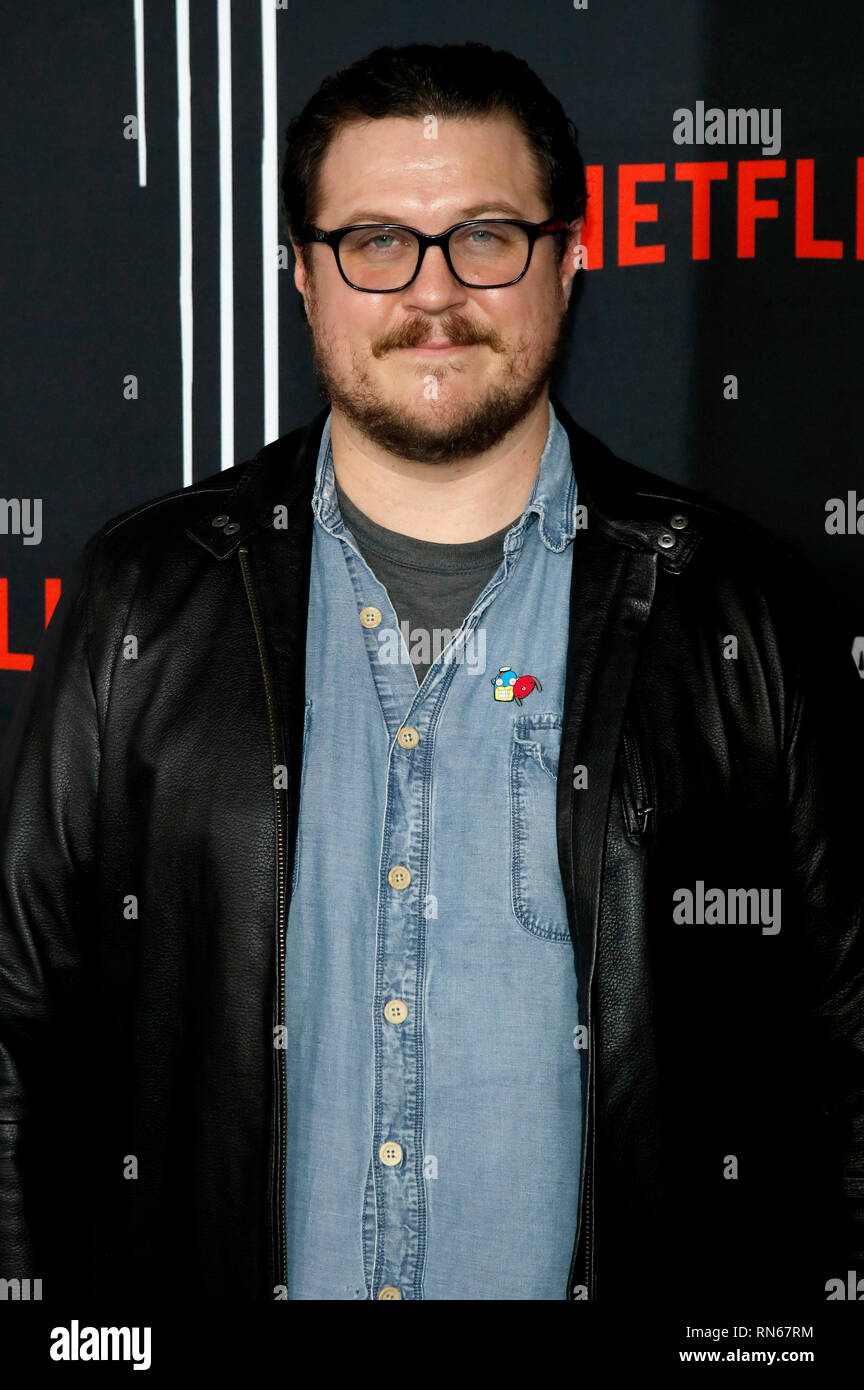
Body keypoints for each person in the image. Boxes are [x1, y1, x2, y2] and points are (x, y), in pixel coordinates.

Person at [0, 40, 862, 1305]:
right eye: (376, 243)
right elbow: (23, 1031)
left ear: (572, 259)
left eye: (486, 237)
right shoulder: (146, 590)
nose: (434, 290)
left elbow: (845, 1043)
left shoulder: (745, 608)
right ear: (302, 275)